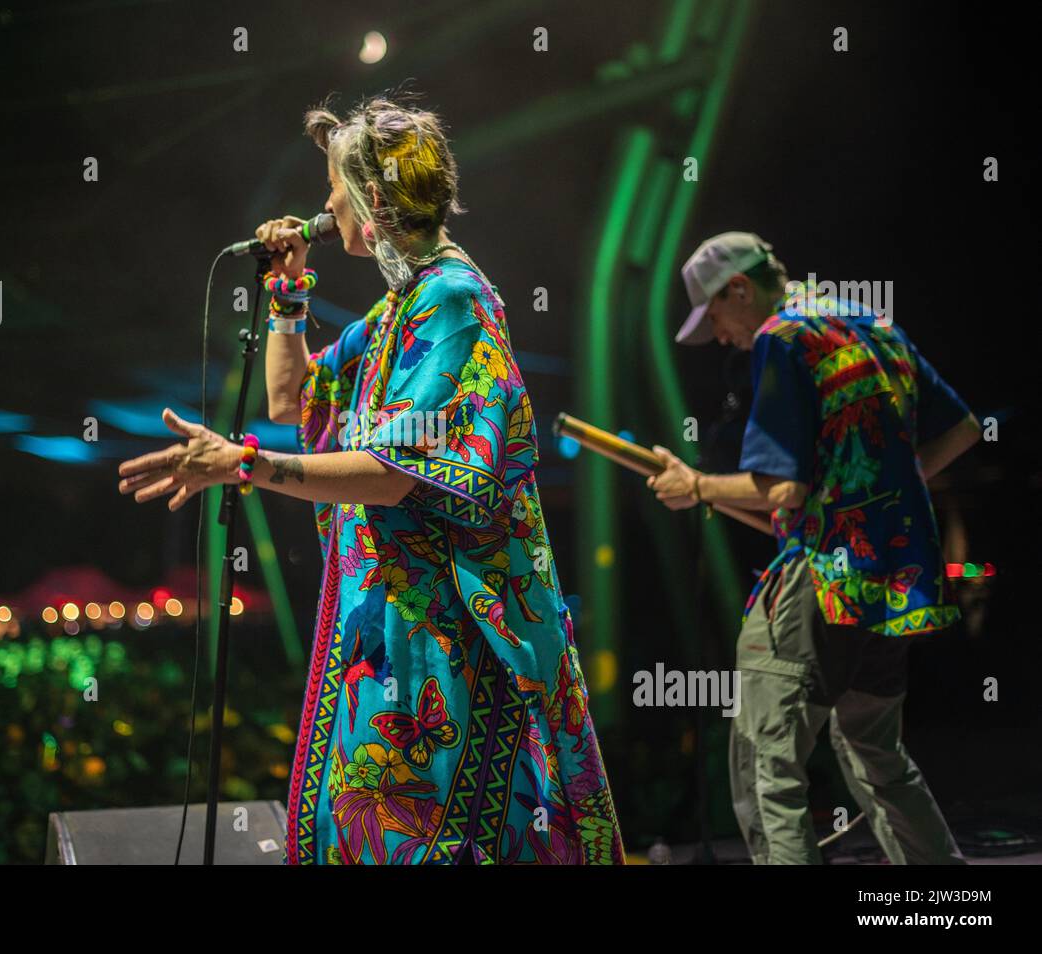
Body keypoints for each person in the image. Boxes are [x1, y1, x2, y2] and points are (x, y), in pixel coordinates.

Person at [118, 95, 624, 865]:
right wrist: (289, 293)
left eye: (334, 192)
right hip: (386, 623)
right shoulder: (396, 310)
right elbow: (292, 400)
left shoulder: (452, 303)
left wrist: (243, 464)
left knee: (440, 837)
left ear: (376, 202)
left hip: (445, 632)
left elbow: (393, 478)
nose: (322, 208)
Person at [647, 232, 980, 864]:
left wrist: (695, 485)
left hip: (825, 578)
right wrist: (877, 492)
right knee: (878, 755)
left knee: (766, 760)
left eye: (715, 316)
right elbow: (963, 429)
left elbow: (784, 488)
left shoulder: (781, 336)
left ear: (738, 288)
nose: (720, 336)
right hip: (895, 577)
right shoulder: (871, 324)